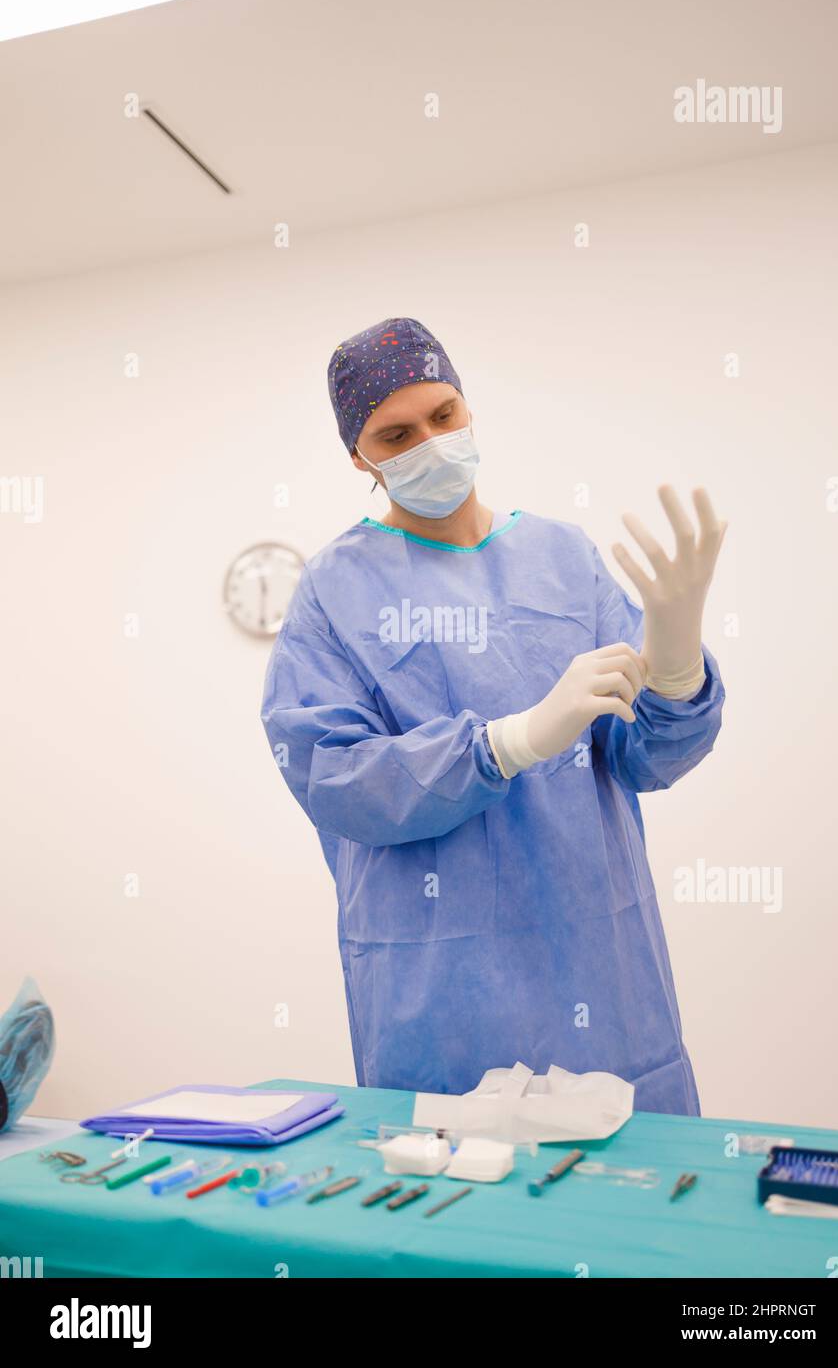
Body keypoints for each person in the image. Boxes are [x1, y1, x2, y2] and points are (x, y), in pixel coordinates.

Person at [261, 316, 728, 1111]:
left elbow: (649, 758)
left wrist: (678, 668)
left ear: (469, 410)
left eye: (443, 416)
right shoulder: (335, 591)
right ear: (360, 457)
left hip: (601, 972)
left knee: (631, 1187)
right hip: (439, 996)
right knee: (457, 1203)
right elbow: (333, 777)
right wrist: (505, 745)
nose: (430, 442)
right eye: (396, 434)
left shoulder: (564, 560)